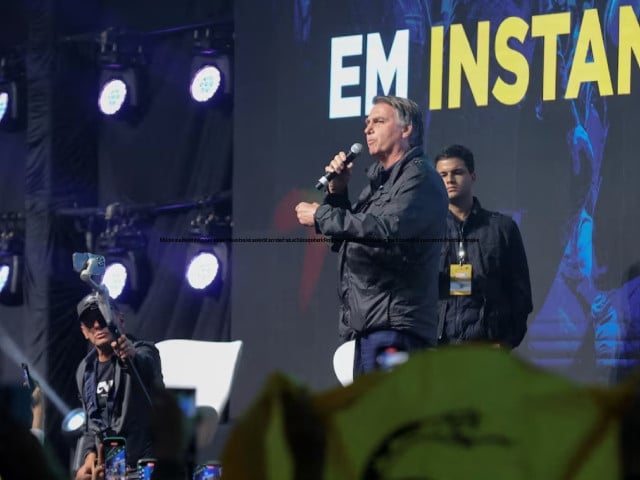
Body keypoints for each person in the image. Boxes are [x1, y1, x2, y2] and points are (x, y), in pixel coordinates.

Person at [295, 95, 448, 375]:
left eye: (378, 121)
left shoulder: (420, 178)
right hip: (369, 326)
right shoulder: (379, 182)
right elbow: (350, 237)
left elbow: (387, 230)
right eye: (366, 123)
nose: (367, 129)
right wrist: (338, 192)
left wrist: (321, 215)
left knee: (391, 416)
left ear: (406, 129)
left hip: (396, 329)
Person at [434, 144, 533, 348]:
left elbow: (521, 294)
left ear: (473, 176)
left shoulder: (502, 228)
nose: (449, 180)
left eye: (457, 172)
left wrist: (505, 343)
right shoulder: (428, 230)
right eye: (442, 175)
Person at [74, 292, 164, 479]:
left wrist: (131, 356)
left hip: (142, 466)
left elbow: (146, 365)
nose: (97, 325)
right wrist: (87, 457)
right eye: (90, 322)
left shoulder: (144, 351)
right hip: (108, 466)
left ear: (119, 320)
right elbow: (90, 425)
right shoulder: (85, 369)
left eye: (101, 317)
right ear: (84, 331)